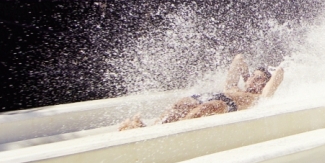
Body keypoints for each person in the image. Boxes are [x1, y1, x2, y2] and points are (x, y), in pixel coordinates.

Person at [119, 54, 284, 130]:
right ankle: (151, 128)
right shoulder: (234, 87)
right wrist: (248, 77)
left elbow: (279, 74)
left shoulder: (258, 97)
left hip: (226, 104)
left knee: (209, 106)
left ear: (264, 85)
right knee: (183, 102)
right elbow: (239, 59)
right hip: (210, 96)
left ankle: (164, 132)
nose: (253, 81)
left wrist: (271, 75)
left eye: (258, 80)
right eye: (252, 77)